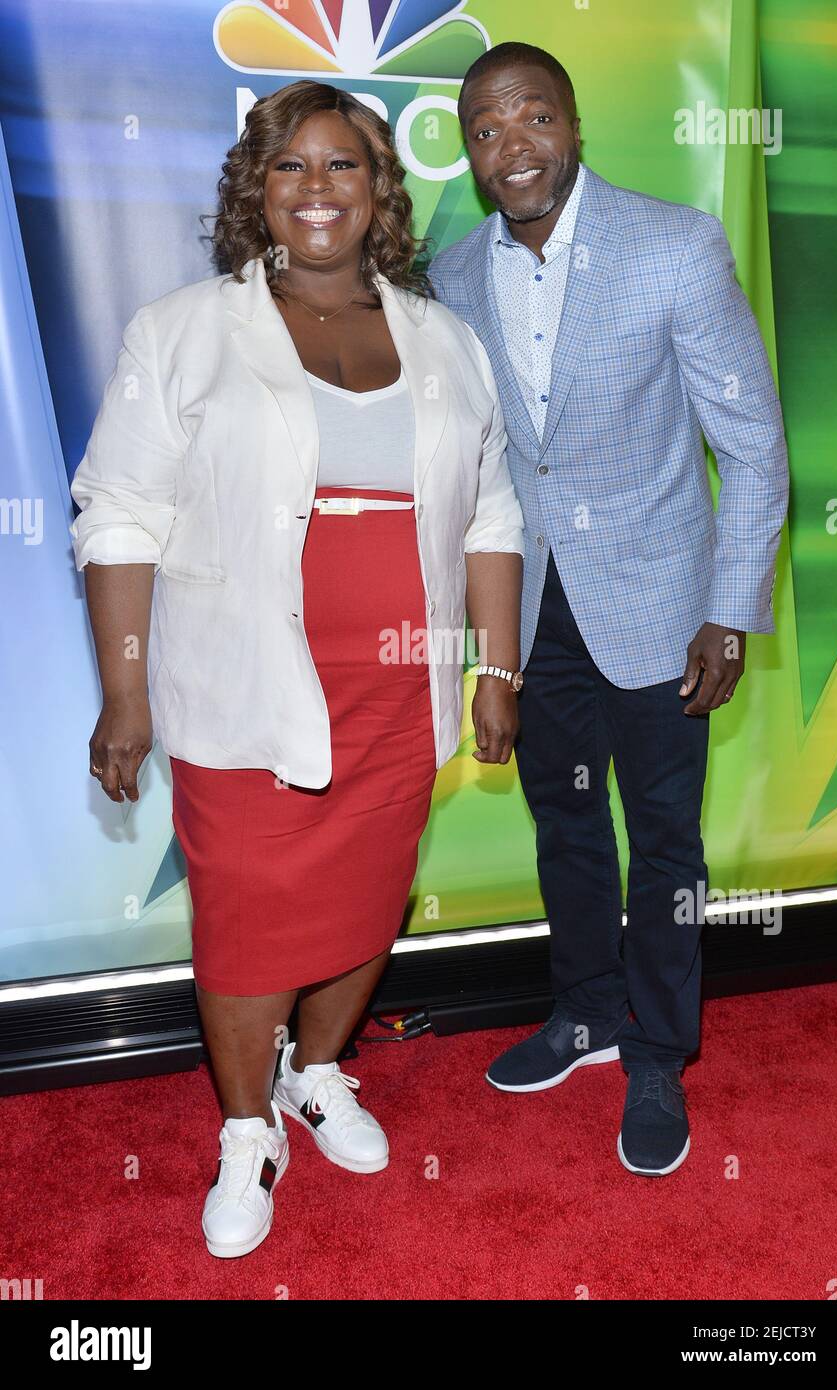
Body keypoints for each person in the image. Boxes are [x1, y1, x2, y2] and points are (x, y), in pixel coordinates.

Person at [69, 80, 524, 1256]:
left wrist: (494, 667)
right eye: (290, 168)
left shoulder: (442, 338)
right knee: (247, 915)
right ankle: (242, 1129)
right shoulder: (180, 331)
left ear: (379, 190)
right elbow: (119, 514)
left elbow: (492, 517)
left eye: (342, 166)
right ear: (254, 192)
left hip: (396, 686)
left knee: (368, 896)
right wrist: (124, 690)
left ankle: (318, 1073)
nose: (317, 190)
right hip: (240, 683)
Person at [429, 43, 789, 1177]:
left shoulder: (672, 248)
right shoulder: (452, 277)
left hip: (664, 604)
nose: (514, 145)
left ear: (573, 125)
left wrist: (728, 610)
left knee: (665, 845)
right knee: (567, 821)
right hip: (535, 612)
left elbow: (752, 441)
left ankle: (655, 1054)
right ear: (473, 156)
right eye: (488, 130)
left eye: (534, 117)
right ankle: (583, 1010)